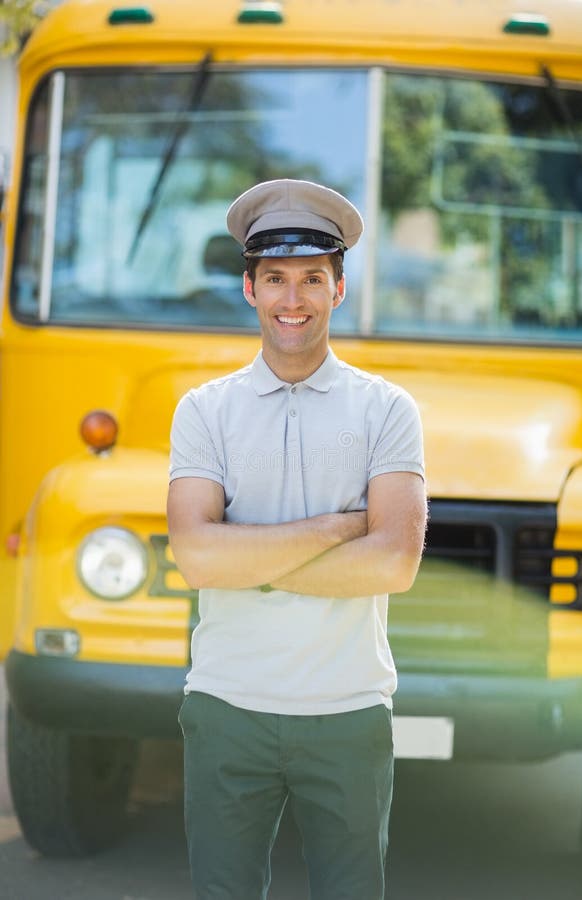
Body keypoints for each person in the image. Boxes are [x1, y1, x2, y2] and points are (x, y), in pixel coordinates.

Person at [167, 178, 427, 900]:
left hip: (347, 712)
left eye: (312, 278)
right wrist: (334, 529)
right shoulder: (203, 412)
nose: (293, 299)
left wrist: (245, 559)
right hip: (226, 708)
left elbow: (396, 562)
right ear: (248, 288)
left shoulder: (387, 411)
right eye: (275, 278)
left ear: (338, 288)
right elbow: (194, 556)